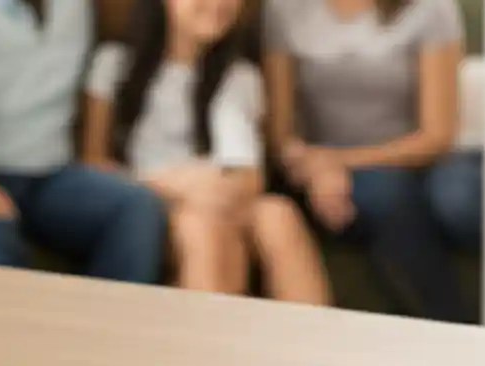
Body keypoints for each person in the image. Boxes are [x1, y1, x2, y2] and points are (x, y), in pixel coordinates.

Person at [81, 0, 331, 304]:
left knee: (278, 214)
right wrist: (172, 184)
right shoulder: (115, 63)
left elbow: (250, 175)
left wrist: (215, 193)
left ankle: (313, 341)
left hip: (221, 200)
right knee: (198, 224)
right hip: (148, 199)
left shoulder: (240, 76)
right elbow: (92, 161)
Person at [262, 0, 479, 321]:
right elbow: (280, 134)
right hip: (336, 177)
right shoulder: (283, 10)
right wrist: (313, 169)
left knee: (460, 200)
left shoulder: (431, 8)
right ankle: (454, 329)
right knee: (385, 192)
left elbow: (437, 137)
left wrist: (336, 161)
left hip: (422, 162)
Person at [0, 0, 168, 284]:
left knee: (135, 206)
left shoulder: (77, 7)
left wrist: (95, 154)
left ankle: (108, 325)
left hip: (53, 175)